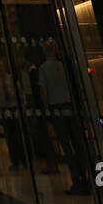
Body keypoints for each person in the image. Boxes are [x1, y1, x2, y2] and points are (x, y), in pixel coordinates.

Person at [39, 39, 90, 195]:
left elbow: (44, 91)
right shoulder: (63, 67)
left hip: (57, 107)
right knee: (77, 142)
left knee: (66, 145)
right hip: (69, 106)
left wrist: (47, 110)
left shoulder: (43, 68)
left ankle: (76, 179)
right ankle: (86, 178)